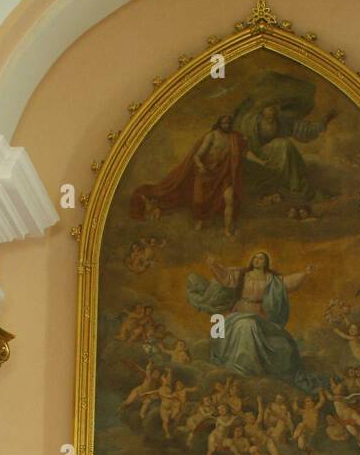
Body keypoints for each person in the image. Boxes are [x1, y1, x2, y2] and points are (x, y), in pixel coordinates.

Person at [186, 250, 318, 390]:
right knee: (245, 324)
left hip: (260, 316)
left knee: (252, 325)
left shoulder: (271, 279)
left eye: (261, 258)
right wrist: (214, 265)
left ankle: (250, 367)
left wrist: (305, 274)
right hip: (239, 313)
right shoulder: (243, 275)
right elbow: (226, 277)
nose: (257, 260)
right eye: (255, 258)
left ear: (265, 262)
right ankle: (241, 367)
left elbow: (287, 282)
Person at [130, 115, 247, 235]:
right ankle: (200, 220)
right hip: (206, 172)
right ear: (219, 124)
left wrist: (261, 161)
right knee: (200, 201)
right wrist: (201, 166)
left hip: (223, 174)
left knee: (230, 199)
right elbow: (197, 156)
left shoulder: (234, 138)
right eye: (224, 123)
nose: (226, 126)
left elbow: (245, 153)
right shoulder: (212, 136)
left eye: (228, 123)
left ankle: (227, 229)